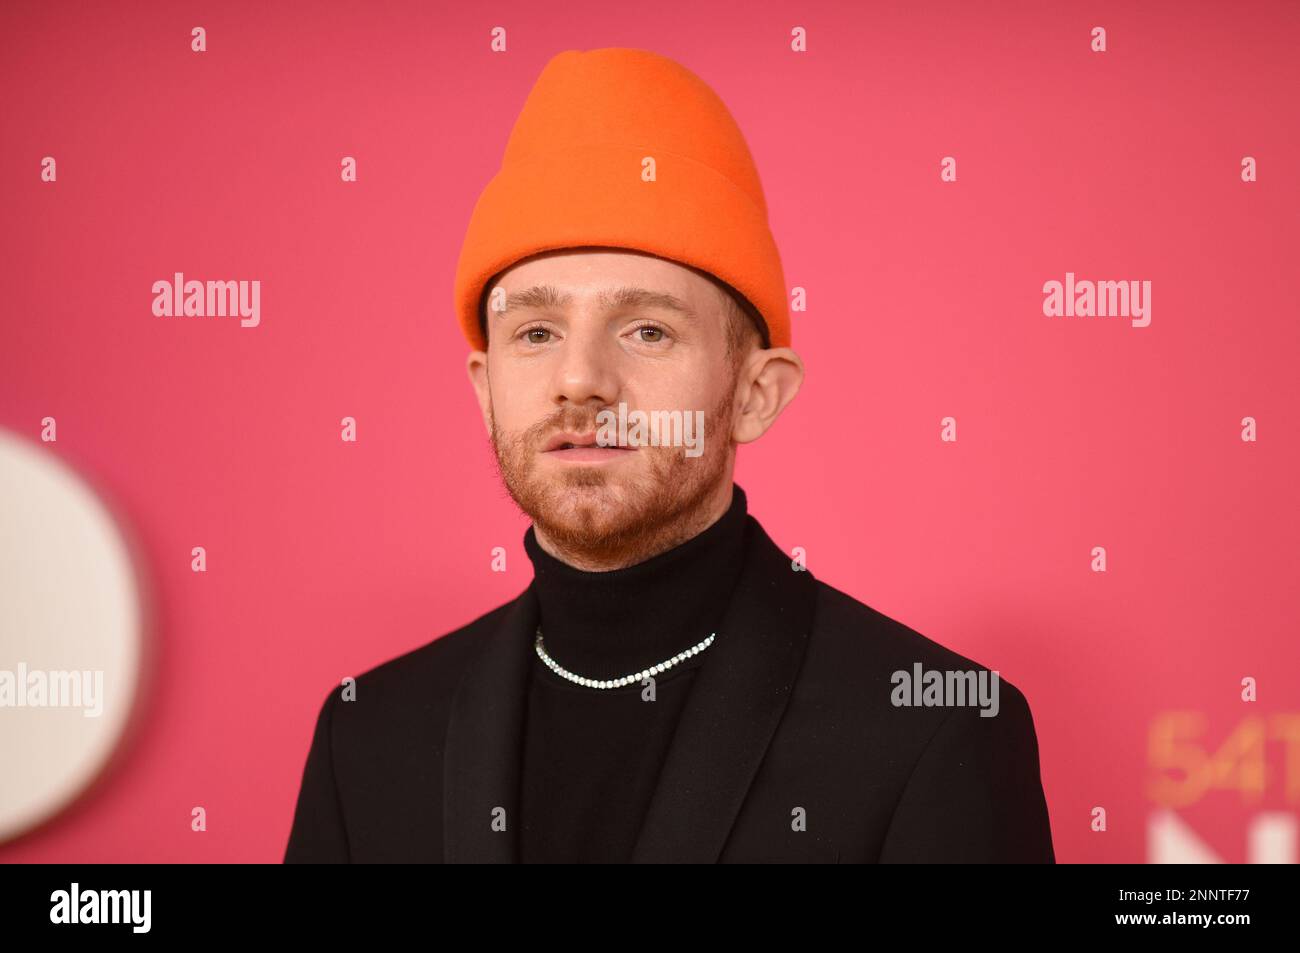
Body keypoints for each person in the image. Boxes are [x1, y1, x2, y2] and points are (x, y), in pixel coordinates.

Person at [284, 47, 1054, 863]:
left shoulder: (932, 730)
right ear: (485, 386)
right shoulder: (368, 733)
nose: (579, 381)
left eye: (647, 329)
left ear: (755, 393)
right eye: (536, 333)